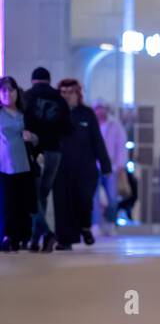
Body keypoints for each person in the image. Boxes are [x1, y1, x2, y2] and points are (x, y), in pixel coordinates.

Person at [53, 79, 112, 249]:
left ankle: (85, 227)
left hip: (86, 169)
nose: (66, 96)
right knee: (64, 205)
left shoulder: (87, 114)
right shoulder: (56, 113)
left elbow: (97, 141)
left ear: (77, 93)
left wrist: (105, 165)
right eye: (63, 92)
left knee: (84, 201)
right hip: (63, 168)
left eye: (70, 92)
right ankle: (65, 240)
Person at [23, 66, 72, 252]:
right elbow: (68, 129)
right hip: (54, 151)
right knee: (42, 194)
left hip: (34, 151)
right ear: (49, 80)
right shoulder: (59, 99)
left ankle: (44, 234)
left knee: (33, 195)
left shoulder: (27, 96)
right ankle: (37, 239)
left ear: (33, 80)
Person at [0, 76, 39, 251]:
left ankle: (23, 236)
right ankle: (8, 237)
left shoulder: (25, 115)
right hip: (4, 167)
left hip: (24, 165)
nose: (7, 94)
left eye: (10, 90)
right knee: (7, 204)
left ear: (17, 92)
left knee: (24, 203)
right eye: (3, 90)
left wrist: (31, 137)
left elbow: (38, 139)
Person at [92, 100, 127, 231]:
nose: (100, 111)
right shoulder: (92, 124)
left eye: (102, 108)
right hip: (94, 167)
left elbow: (121, 146)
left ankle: (111, 223)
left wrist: (120, 165)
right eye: (97, 109)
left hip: (111, 168)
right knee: (94, 199)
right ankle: (95, 224)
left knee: (112, 198)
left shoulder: (115, 125)